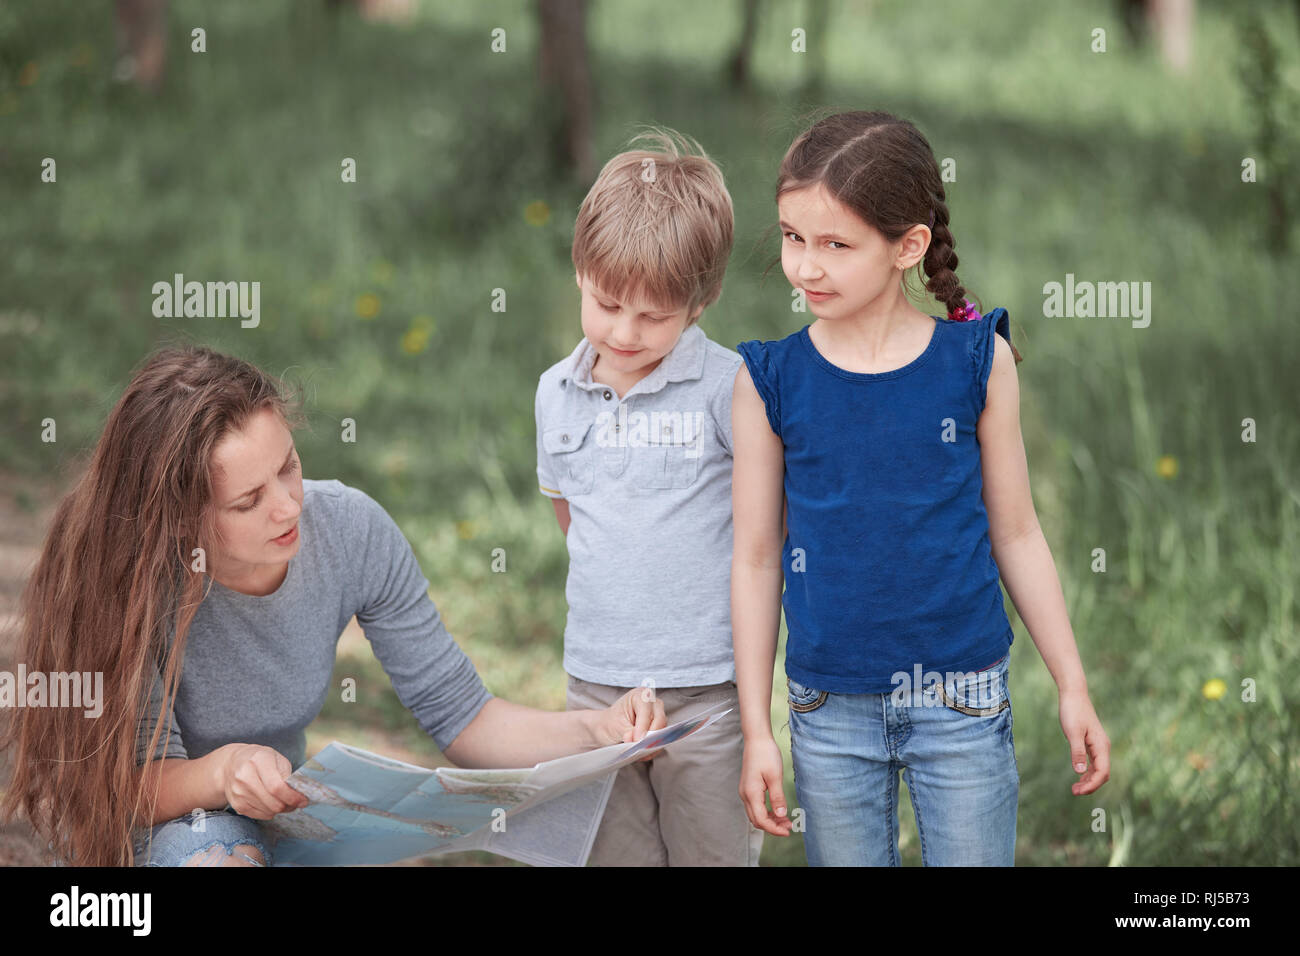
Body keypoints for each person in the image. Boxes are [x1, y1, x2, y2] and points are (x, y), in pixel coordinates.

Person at [0, 345, 665, 867]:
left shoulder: (350, 530)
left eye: (288, 467)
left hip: (279, 819)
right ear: (180, 523)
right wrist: (225, 771)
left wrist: (595, 730)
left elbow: (466, 718)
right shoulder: (135, 580)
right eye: (247, 501)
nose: (290, 506)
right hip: (162, 834)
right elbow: (127, 787)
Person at [731, 110, 1111, 866]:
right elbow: (755, 559)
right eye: (791, 237)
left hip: (962, 702)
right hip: (826, 708)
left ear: (908, 246)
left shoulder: (976, 363)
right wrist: (756, 729)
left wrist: (1072, 682)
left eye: (836, 245)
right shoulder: (769, 380)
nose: (805, 267)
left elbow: (1018, 534)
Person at [535, 128, 764, 865]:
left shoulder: (730, 389)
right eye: (607, 305)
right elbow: (568, 513)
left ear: (701, 302)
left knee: (711, 853)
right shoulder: (554, 395)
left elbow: (763, 532)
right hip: (595, 689)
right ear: (579, 271)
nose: (625, 332)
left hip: (706, 691)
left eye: (653, 316)